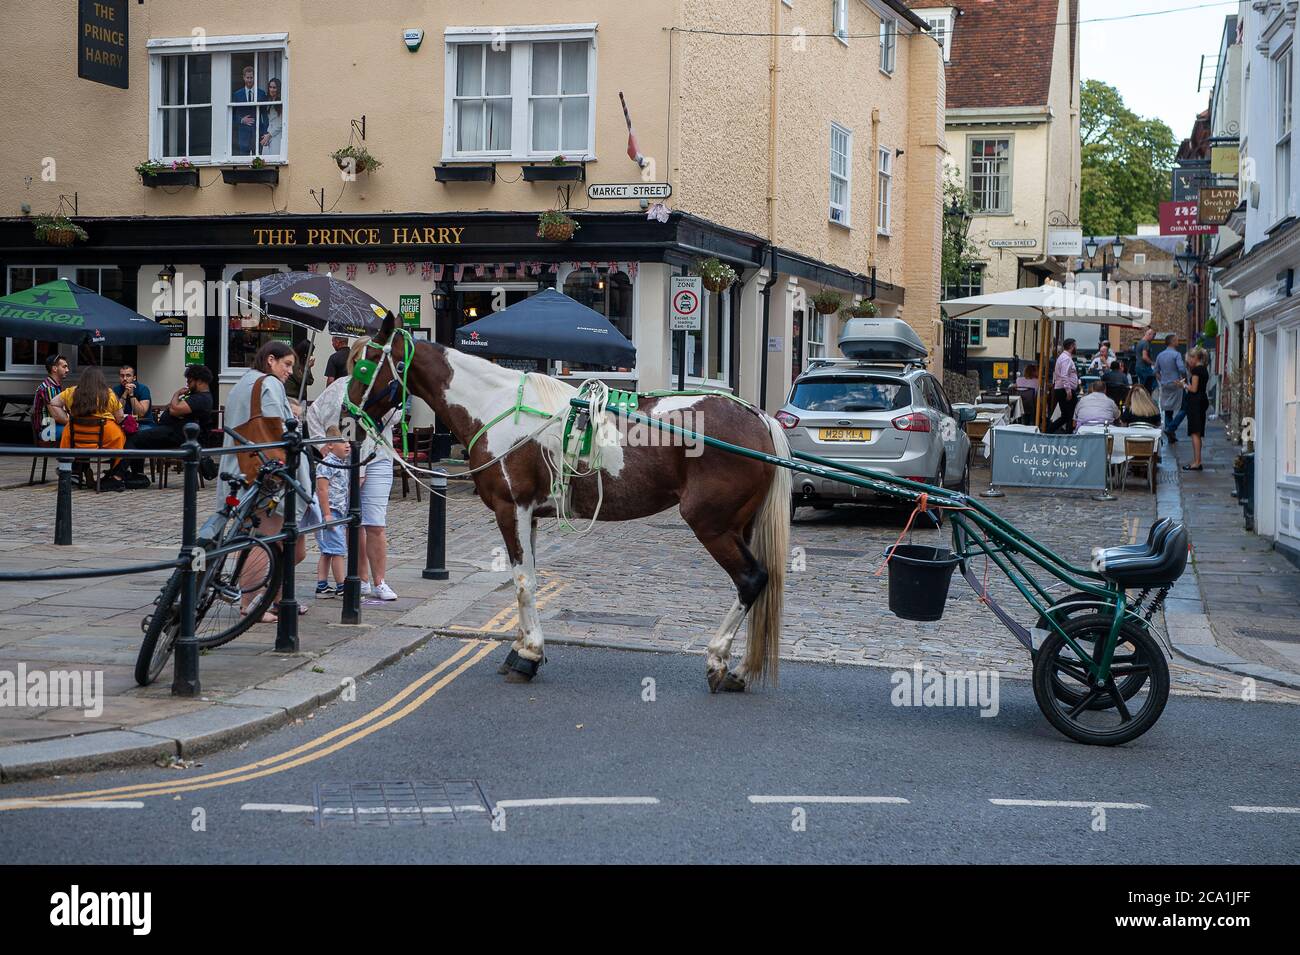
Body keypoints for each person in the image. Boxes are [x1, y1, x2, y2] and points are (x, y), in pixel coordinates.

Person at [221, 341, 311, 623]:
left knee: (283, 544)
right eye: (286, 365)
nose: (289, 372)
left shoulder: (245, 383)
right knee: (264, 542)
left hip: (247, 470)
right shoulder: (268, 383)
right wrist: (292, 416)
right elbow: (276, 430)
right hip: (263, 475)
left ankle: (277, 598)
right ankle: (250, 605)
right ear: (270, 359)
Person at [304, 341, 399, 601]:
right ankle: (360, 579)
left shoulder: (381, 386)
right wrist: (322, 446)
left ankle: (380, 581)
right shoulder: (340, 387)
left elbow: (396, 418)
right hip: (346, 462)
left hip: (377, 458)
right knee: (353, 522)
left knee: (375, 522)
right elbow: (313, 414)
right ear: (355, 360)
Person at [108, 365, 214, 487]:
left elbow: (174, 409)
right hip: (172, 432)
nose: (187, 384)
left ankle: (118, 476)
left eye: (189, 381)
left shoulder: (200, 399)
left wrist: (176, 394)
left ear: (200, 381)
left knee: (134, 438)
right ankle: (135, 475)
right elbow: (172, 407)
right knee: (137, 438)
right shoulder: (196, 396)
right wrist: (175, 406)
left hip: (176, 435)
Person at [48, 366, 127, 490]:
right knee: (121, 439)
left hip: (78, 435)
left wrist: (66, 419)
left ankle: (76, 470)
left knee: (73, 440)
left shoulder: (72, 392)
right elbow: (120, 417)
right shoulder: (108, 393)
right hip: (105, 435)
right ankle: (113, 474)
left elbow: (53, 402)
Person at [313, 428, 360, 598]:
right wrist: (326, 514)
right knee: (338, 550)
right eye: (343, 442)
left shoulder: (342, 463)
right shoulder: (326, 464)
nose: (348, 446)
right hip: (331, 511)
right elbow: (322, 490)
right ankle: (342, 586)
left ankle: (322, 586)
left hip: (339, 511)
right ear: (331, 445)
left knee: (327, 551)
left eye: (348, 442)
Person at [1155, 333, 1188, 443]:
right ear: (1172, 342)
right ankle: (1171, 428)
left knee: (1168, 410)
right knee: (1184, 408)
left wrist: (1162, 380)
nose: (1178, 341)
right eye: (1177, 340)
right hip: (1176, 383)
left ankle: (1171, 436)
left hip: (1165, 384)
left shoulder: (1160, 355)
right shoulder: (1176, 354)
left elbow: (1156, 371)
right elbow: (1182, 369)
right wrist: (1184, 379)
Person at [1183, 347, 1211, 471]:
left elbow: (1193, 389)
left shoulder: (1196, 371)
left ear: (1195, 358)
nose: (1188, 361)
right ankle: (1197, 460)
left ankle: (1197, 462)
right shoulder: (1204, 369)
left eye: (1189, 358)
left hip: (1195, 402)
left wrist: (1183, 385)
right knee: (1198, 432)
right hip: (1202, 399)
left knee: (1195, 432)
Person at [32, 353, 70, 445]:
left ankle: (75, 459)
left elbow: (63, 411)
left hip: (55, 427)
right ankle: (67, 459)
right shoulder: (48, 388)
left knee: (79, 430)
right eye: (64, 367)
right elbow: (57, 416)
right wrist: (76, 422)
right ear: (54, 369)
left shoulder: (55, 386)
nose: (67, 370)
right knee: (77, 431)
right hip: (47, 431)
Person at [231, 65, 266, 155]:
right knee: (243, 160)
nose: (249, 80)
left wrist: (265, 132)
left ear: (254, 78)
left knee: (258, 160)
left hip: (258, 133)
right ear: (243, 78)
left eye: (251, 77)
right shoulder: (237, 95)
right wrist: (242, 120)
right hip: (243, 134)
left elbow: (265, 115)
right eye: (247, 78)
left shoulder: (261, 94)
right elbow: (232, 116)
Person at [1049, 339, 1080, 434]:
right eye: (1075, 345)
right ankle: (1068, 436)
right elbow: (1064, 375)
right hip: (1065, 390)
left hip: (1061, 389)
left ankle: (1049, 430)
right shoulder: (1066, 359)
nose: (1076, 348)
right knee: (1071, 415)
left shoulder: (1063, 357)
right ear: (1071, 346)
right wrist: (1068, 391)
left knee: (1065, 416)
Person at [112, 364, 153, 431]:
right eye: (122, 376)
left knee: (142, 432)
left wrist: (131, 395)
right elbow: (117, 414)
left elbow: (140, 414)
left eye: (128, 375)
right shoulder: (115, 390)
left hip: (143, 423)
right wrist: (125, 393)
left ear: (134, 378)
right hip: (122, 424)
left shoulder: (143, 389)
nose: (124, 378)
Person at [285, 338, 316, 410]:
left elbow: (310, 381)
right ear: (305, 352)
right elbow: (301, 380)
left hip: (301, 397)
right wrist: (308, 367)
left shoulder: (302, 363)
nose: (311, 355)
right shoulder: (293, 362)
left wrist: (308, 367)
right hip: (292, 397)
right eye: (310, 352)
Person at [259, 78, 283, 155]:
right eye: (270, 87)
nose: (272, 89)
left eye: (274, 87)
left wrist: (269, 135)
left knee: (275, 158)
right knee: (265, 159)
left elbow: (281, 123)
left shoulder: (281, 102)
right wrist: (266, 135)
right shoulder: (267, 101)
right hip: (267, 134)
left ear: (278, 89)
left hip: (276, 135)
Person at [1135, 328, 1158, 392]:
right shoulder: (1146, 343)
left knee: (1143, 386)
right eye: (1153, 336)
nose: (1153, 338)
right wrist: (1153, 363)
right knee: (1153, 384)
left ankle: (1142, 399)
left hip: (1138, 367)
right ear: (1149, 334)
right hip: (1144, 368)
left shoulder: (1139, 342)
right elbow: (1144, 357)